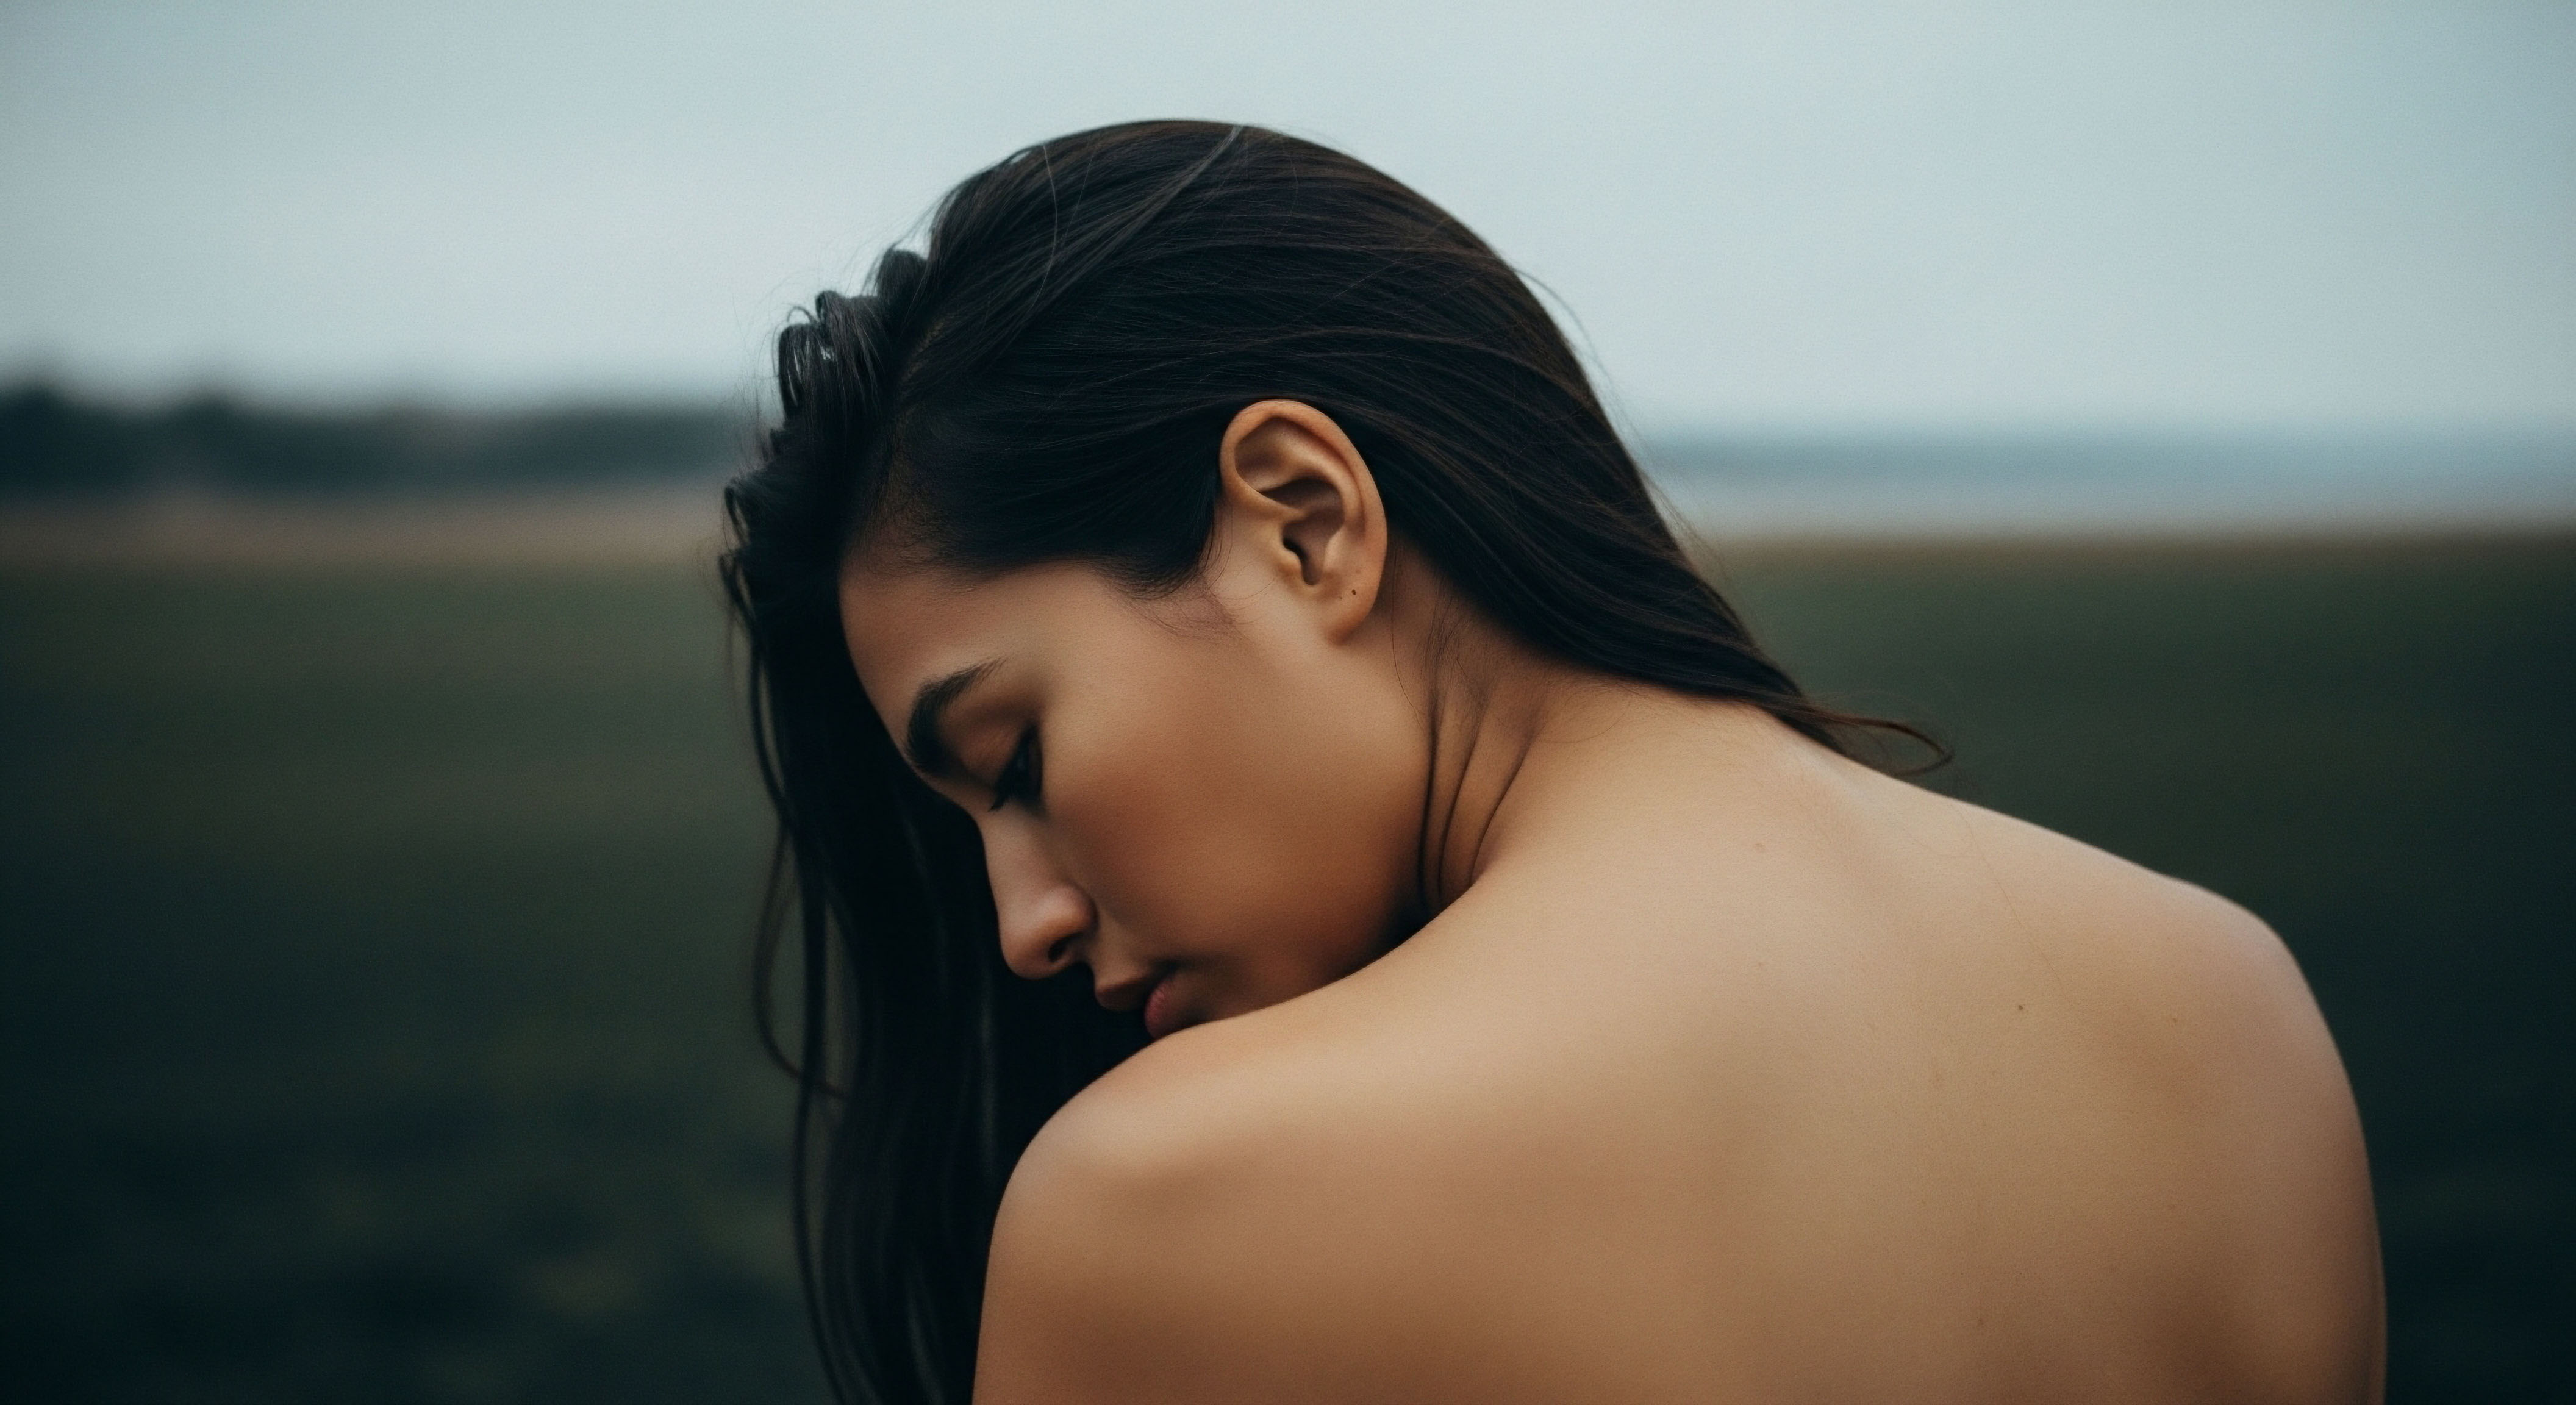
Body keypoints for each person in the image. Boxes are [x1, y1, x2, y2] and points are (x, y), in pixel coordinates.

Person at [721, 120, 2383, 1405]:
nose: (1022, 919)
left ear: (1303, 522)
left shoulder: (1176, 1199)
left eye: (1013, 760)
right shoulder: (2229, 1012)